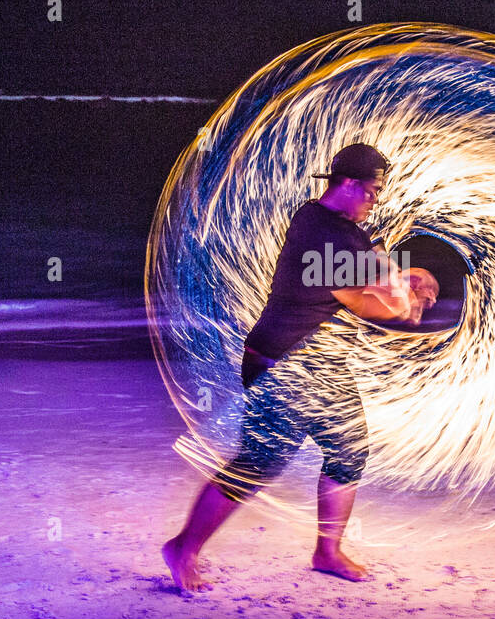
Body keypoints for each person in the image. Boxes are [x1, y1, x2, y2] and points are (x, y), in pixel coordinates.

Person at [162, 143, 436, 592]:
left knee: (348, 449)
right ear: (348, 184)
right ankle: (183, 549)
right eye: (374, 190)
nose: (377, 200)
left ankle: (327, 552)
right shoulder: (329, 236)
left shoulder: (323, 221)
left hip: (313, 360)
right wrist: (406, 296)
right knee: (258, 463)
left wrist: (397, 284)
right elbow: (373, 304)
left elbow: (362, 292)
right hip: (281, 361)